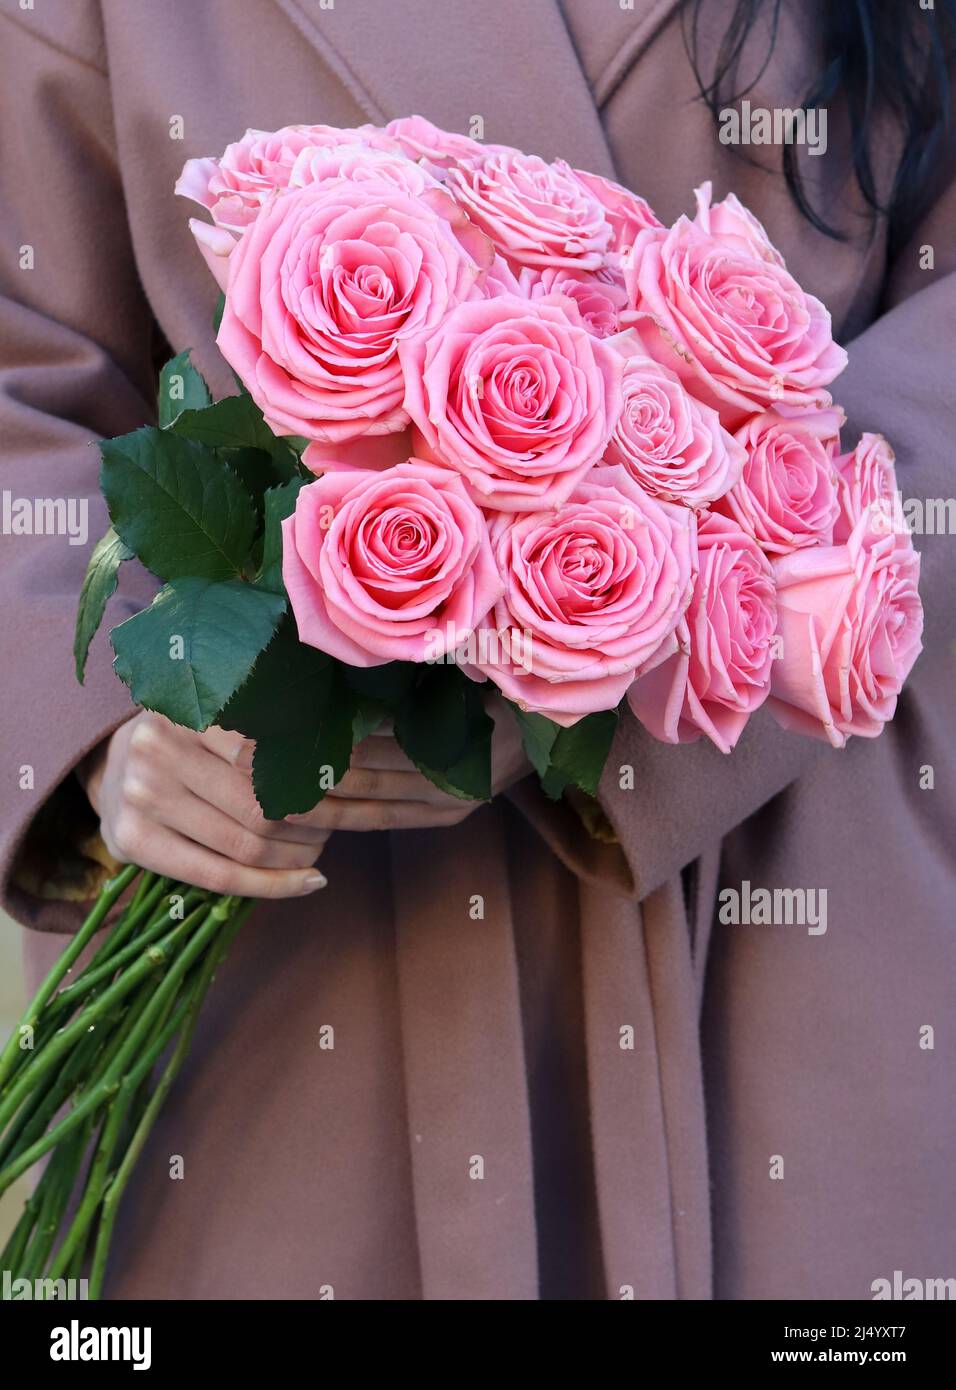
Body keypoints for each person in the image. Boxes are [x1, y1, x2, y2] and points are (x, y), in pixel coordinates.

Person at [1, 0, 954, 1300]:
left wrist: (621, 637)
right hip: (303, 942)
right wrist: (117, 727)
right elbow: (25, 376)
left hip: (781, 874)